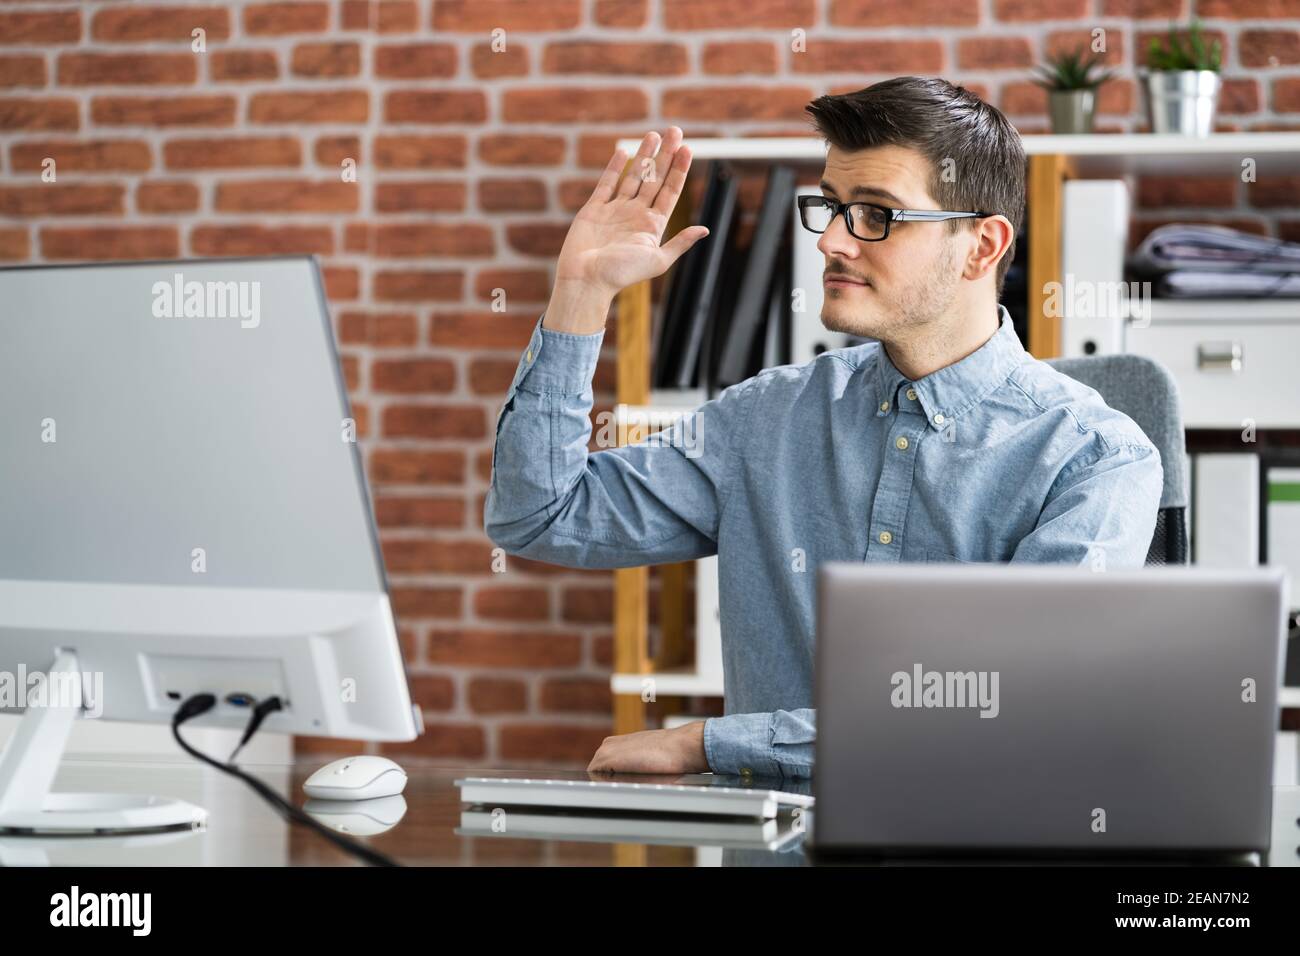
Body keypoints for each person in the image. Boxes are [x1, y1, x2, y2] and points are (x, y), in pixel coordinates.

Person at [484, 76, 1162, 778]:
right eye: (832, 208)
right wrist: (581, 292)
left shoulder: (1097, 459)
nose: (833, 240)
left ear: (982, 246)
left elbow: (1010, 704)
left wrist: (709, 744)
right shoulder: (763, 417)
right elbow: (539, 515)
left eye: (877, 214)